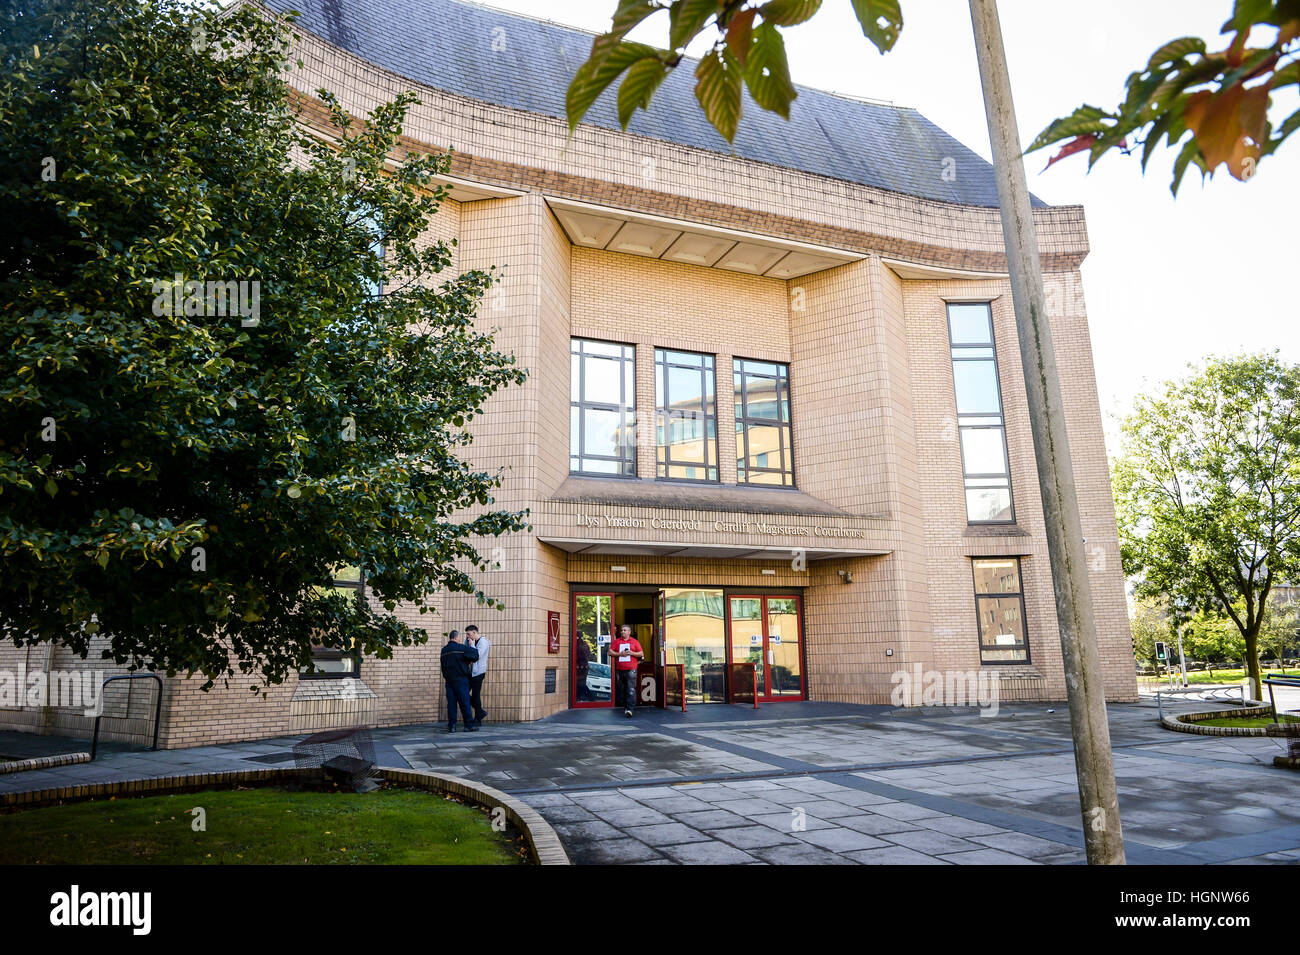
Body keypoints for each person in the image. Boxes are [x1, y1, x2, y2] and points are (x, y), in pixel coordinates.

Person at [440, 629, 479, 733]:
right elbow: (475, 656)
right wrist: (472, 645)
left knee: (451, 704)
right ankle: (468, 725)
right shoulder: (462, 648)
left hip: (449, 681)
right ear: (457, 638)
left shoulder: (444, 650)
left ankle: (452, 726)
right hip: (461, 680)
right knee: (464, 703)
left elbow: (443, 666)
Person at [612, 623, 644, 718]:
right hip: (620, 669)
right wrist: (619, 654)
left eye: (624, 630)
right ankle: (625, 706)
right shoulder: (617, 641)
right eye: (622, 630)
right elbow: (610, 652)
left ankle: (630, 709)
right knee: (622, 688)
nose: (622, 632)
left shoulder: (634, 642)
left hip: (631, 669)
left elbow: (641, 653)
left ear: (629, 632)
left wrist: (632, 652)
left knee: (630, 689)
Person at [465, 624, 490, 726]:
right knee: (464, 693)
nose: (467, 636)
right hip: (471, 672)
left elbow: (477, 656)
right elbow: (466, 654)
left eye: (469, 634)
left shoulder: (483, 642)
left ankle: (478, 719)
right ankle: (480, 712)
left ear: (474, 633)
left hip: (478, 673)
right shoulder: (469, 641)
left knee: (475, 695)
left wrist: (472, 645)